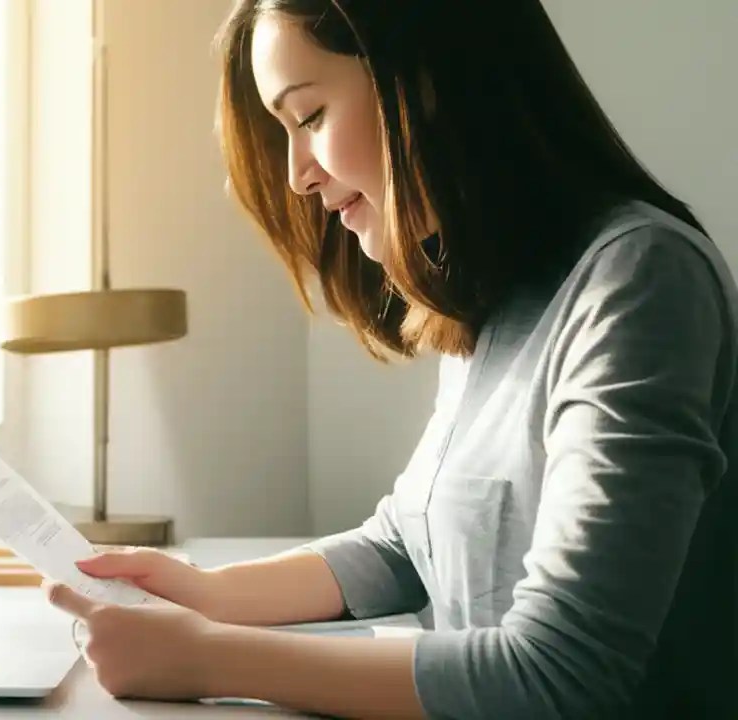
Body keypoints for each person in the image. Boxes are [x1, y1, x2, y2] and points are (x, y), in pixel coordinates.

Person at [43, 1, 737, 718]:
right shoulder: (497, 290)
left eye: (309, 118)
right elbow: (407, 543)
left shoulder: (641, 280)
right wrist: (206, 594)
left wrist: (206, 655)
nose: (296, 176)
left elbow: (563, 673)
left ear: (426, 84)